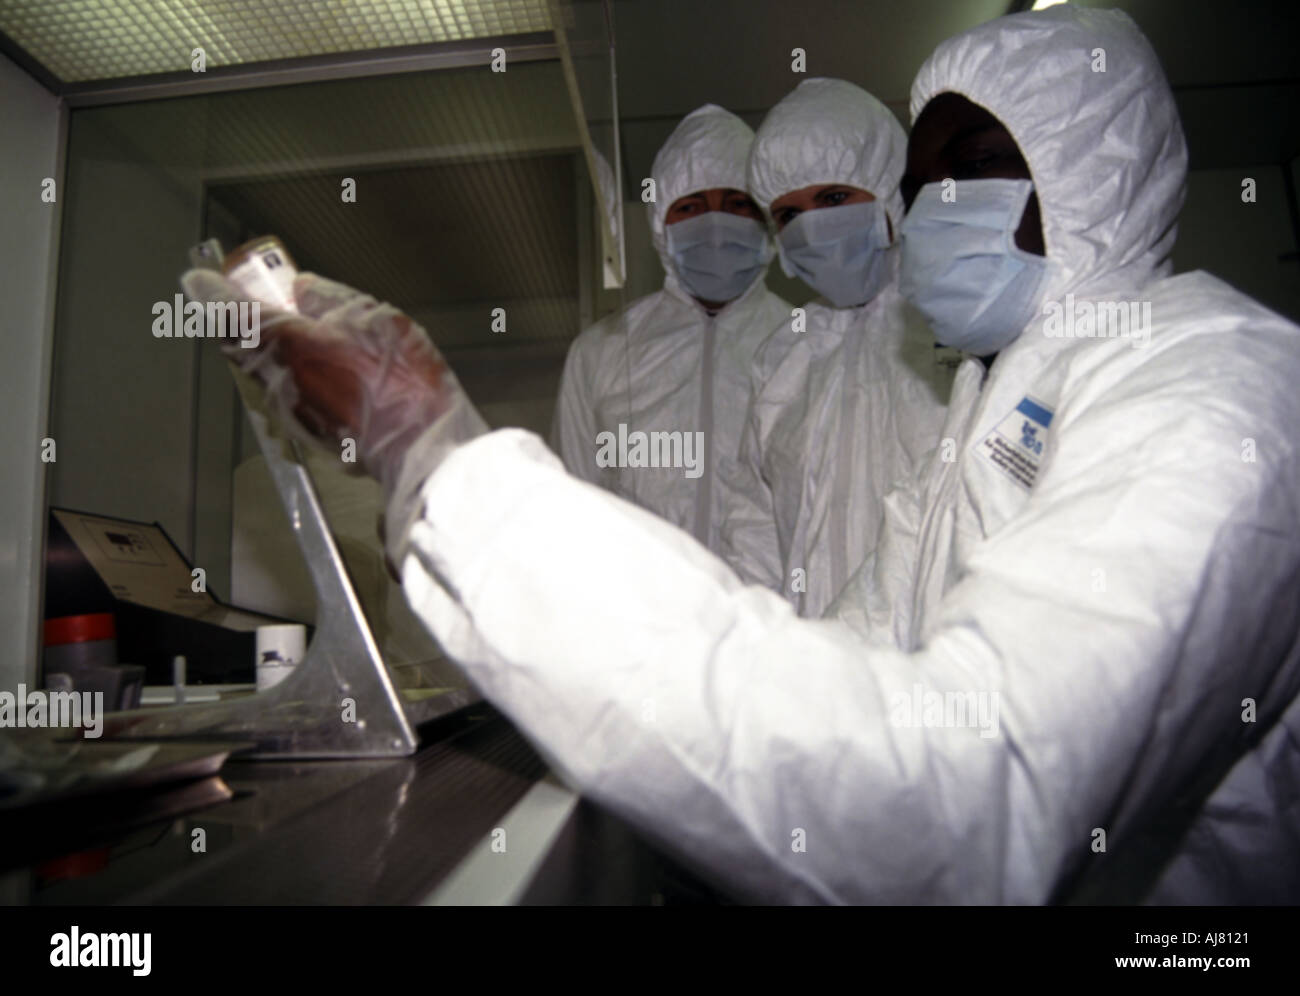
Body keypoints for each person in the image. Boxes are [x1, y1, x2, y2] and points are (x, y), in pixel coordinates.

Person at [183, 5, 1300, 903]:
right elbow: (847, 664)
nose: (923, 213)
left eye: (967, 167)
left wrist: (429, 449)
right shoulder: (987, 400)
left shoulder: (1212, 386)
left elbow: (970, 810)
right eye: (916, 185)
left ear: (1090, 171)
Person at [722, 78, 952, 617]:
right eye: (790, 215)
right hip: (822, 671)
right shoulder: (784, 357)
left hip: (944, 661)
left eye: (833, 198)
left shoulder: (957, 324)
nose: (814, 228)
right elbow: (754, 528)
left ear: (889, 188)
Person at [550, 104, 792, 551]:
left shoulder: (803, 345)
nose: (716, 226)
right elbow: (573, 505)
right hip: (638, 615)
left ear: (768, 223)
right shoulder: (602, 352)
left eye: (738, 203)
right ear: (661, 225)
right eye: (691, 206)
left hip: (767, 617)